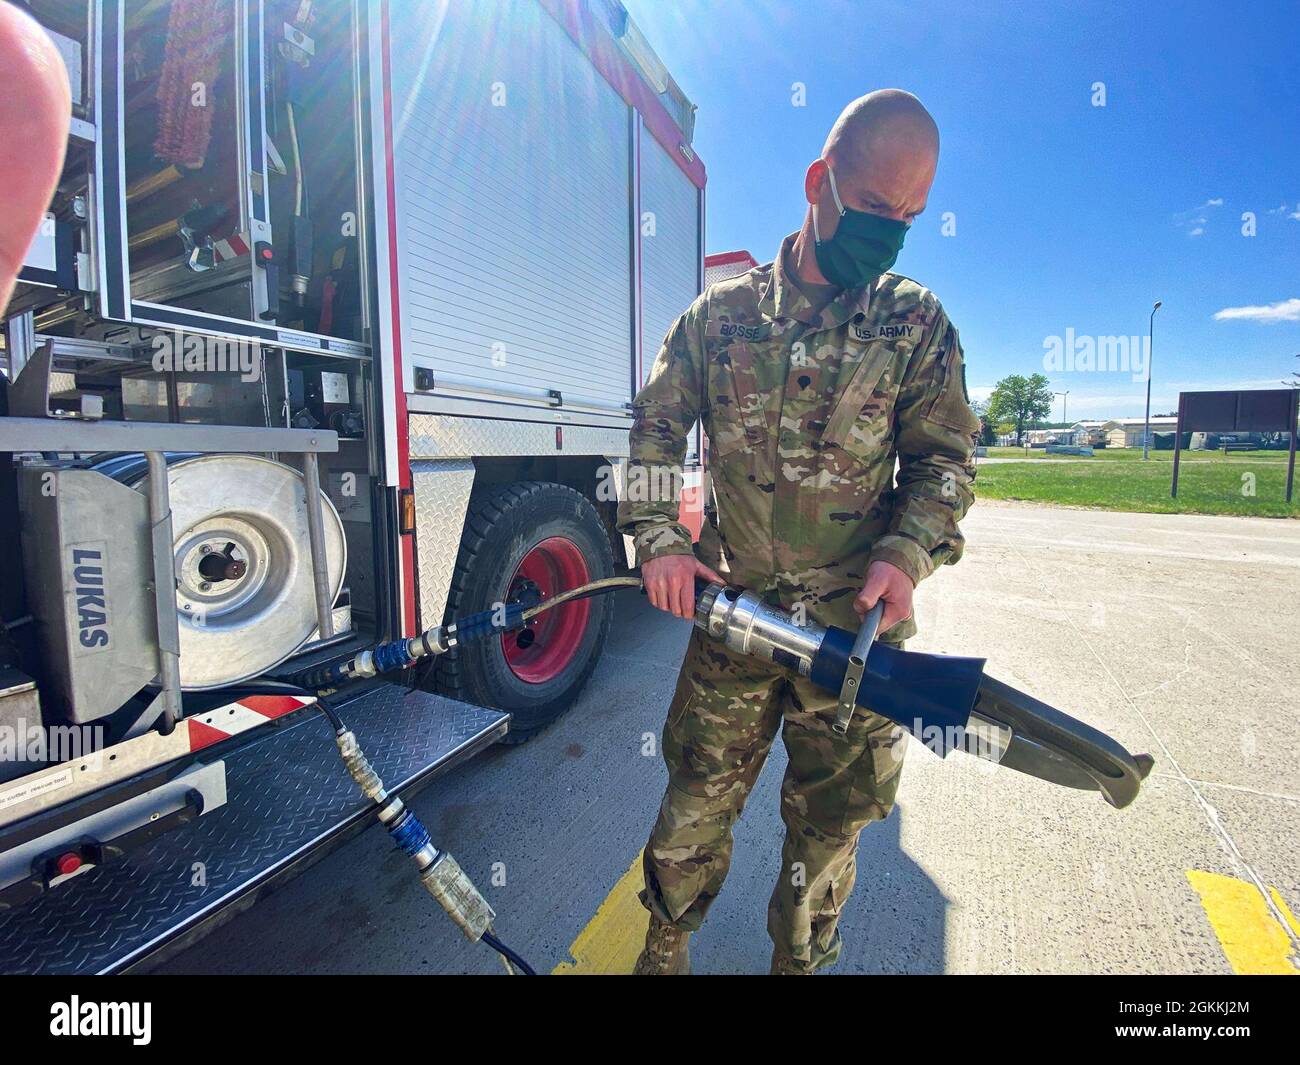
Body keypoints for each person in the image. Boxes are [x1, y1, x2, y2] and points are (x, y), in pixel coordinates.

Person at [616, 89, 980, 974]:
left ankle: (799, 965)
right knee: (689, 818)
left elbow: (945, 463)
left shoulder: (915, 325)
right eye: (875, 207)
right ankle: (663, 952)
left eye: (911, 216)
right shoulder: (718, 321)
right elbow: (654, 434)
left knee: (825, 846)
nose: (891, 232)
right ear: (819, 183)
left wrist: (905, 554)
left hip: (853, 645)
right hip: (734, 626)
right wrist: (660, 539)